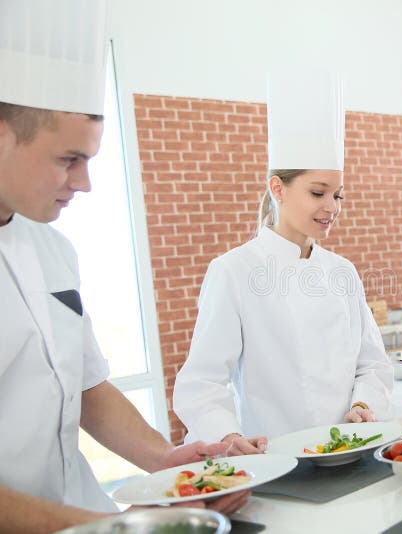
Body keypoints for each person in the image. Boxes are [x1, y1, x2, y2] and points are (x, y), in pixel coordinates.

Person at [0, 1, 249, 531]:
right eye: (69, 159)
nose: (85, 182)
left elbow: (87, 387)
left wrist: (163, 462)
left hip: (83, 513)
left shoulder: (51, 247)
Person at [173, 70, 393, 447]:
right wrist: (227, 435)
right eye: (318, 193)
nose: (331, 207)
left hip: (355, 451)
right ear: (278, 188)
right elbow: (202, 382)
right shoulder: (234, 271)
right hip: (277, 459)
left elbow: (372, 364)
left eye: (337, 195)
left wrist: (363, 403)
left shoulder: (342, 271)